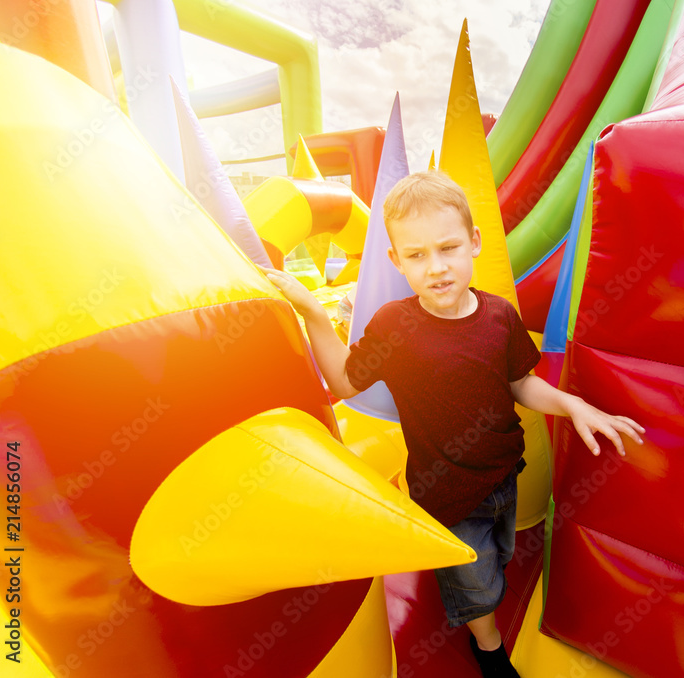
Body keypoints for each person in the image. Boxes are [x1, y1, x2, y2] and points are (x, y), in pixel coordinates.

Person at [262, 171, 644, 678]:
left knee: (499, 557)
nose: (437, 268)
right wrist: (312, 312)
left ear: (474, 243)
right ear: (396, 261)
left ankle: (479, 588)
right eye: (416, 256)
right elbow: (347, 381)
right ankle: (488, 649)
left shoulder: (498, 316)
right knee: (477, 587)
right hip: (447, 495)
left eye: (448, 248)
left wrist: (574, 405)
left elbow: (519, 383)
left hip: (505, 474)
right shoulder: (394, 326)